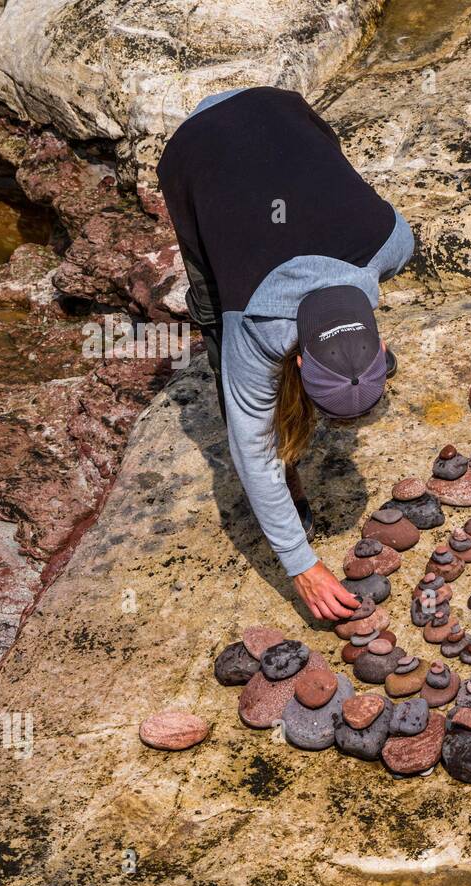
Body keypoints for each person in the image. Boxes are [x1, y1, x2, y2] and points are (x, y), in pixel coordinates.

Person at [157, 87, 414, 621]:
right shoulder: (252, 324)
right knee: (212, 316)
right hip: (196, 151)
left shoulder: (391, 242)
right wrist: (300, 563)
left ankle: (346, 369)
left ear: (380, 339)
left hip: (285, 111)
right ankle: (293, 482)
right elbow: (251, 448)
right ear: (294, 360)